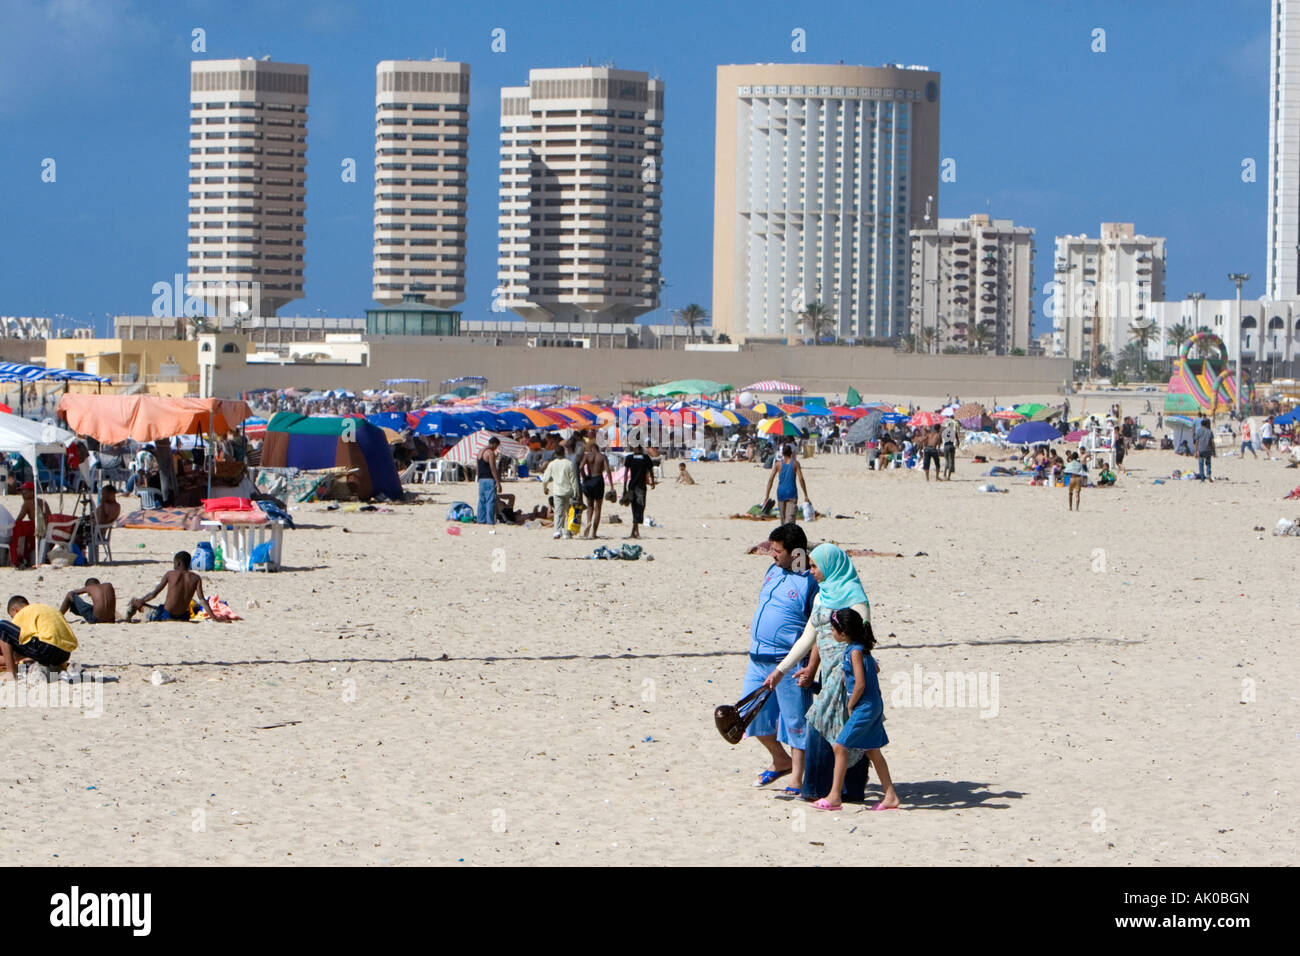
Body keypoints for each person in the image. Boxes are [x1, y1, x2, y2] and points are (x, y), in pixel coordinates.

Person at [762, 543, 873, 803]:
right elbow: (807, 638)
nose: (810, 571)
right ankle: (816, 788)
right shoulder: (821, 596)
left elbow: (864, 640)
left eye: (814, 566)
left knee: (847, 730)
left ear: (831, 566)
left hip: (848, 676)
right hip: (828, 677)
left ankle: (850, 790)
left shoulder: (855, 597)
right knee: (823, 727)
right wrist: (781, 671)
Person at [740, 523, 818, 793]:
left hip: (789, 663)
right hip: (757, 658)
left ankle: (797, 777)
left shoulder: (811, 581)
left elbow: (816, 627)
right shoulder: (772, 571)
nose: (772, 555)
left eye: (777, 551)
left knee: (796, 721)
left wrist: (811, 666)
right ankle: (780, 760)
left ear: (795, 553)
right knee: (749, 717)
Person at [812, 608, 898, 812]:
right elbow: (873, 669)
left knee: (840, 747)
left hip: (864, 707)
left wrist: (851, 703)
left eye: (833, 629)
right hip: (873, 705)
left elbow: (859, 684)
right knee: (872, 751)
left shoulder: (855, 651)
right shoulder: (860, 649)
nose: (831, 633)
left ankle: (834, 796)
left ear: (844, 633)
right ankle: (891, 795)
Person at [1, 595, 77, 678]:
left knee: (2, 626)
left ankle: (10, 672)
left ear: (14, 610)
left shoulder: (23, 612)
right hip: (64, 655)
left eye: (12, 616)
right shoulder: (44, 609)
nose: (13, 619)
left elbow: (17, 640)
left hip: (46, 648)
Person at [125, 551, 213, 622]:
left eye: (174, 563)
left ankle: (127, 619)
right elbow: (202, 600)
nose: (173, 565)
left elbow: (153, 594)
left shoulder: (170, 574)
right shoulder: (196, 578)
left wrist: (141, 600)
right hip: (184, 617)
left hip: (166, 615)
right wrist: (214, 617)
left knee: (134, 602)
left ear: (178, 563)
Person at [763, 444, 808, 525]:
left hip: (781, 493)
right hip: (792, 493)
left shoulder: (778, 464)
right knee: (790, 520)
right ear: (791, 453)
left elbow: (770, 480)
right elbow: (801, 479)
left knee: (783, 520)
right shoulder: (795, 464)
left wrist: (767, 496)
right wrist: (805, 495)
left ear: (782, 453)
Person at [541, 444, 578, 540]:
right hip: (569, 491)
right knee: (569, 512)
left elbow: (545, 479)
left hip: (558, 491)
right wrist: (576, 493)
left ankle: (557, 531)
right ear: (563, 452)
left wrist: (545, 489)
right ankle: (567, 533)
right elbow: (574, 480)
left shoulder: (552, 464)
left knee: (558, 512)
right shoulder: (569, 463)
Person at [11, 482, 51, 568]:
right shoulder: (42, 501)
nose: (22, 494)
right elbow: (49, 517)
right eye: (21, 492)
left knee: (19, 530)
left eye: (25, 492)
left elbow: (19, 519)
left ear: (33, 492)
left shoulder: (28, 503)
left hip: (38, 530)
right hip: (48, 529)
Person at [578, 438, 611, 539]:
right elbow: (607, 470)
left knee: (590, 505)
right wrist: (612, 486)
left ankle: (588, 522)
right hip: (598, 480)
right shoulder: (602, 457)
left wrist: (584, 477)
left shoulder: (587, 456)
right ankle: (594, 533)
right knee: (598, 507)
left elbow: (580, 467)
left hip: (589, 480)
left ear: (591, 449)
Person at [621, 443, 656, 539]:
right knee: (640, 507)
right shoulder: (644, 458)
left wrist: (624, 487)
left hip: (632, 486)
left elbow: (625, 474)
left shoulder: (631, 458)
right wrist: (652, 482)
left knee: (635, 507)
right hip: (640, 486)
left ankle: (634, 531)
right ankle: (636, 531)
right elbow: (651, 470)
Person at [475, 436, 502, 525]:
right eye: (496, 446)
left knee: (481, 500)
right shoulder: (490, 453)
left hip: (481, 479)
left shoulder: (479, 452)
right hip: (489, 479)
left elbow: (478, 467)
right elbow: (493, 468)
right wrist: (498, 482)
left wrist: (478, 477)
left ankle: (480, 520)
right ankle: (490, 520)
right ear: (494, 444)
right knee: (490, 501)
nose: (496, 448)